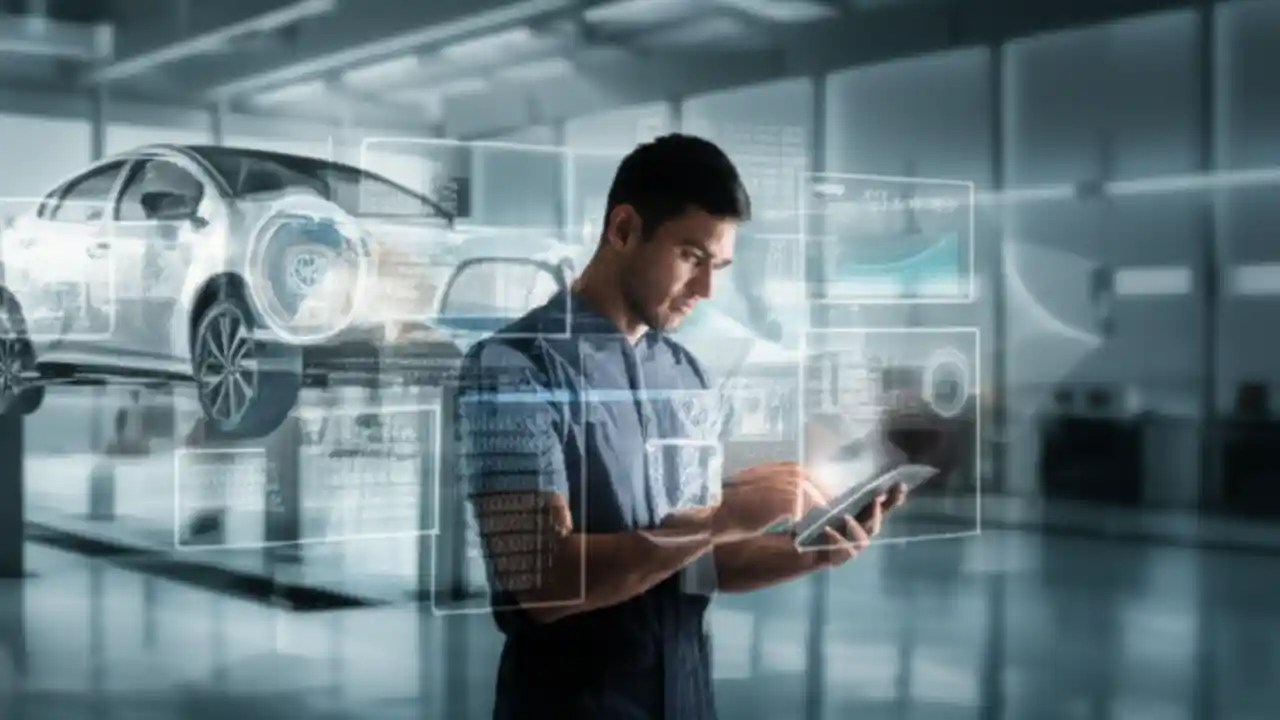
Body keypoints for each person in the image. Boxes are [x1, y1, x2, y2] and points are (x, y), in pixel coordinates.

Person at [456, 134, 909, 720]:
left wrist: (807, 551)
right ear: (623, 230)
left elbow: (695, 567)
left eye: (717, 267)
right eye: (692, 257)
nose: (706, 291)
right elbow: (542, 583)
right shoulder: (512, 368)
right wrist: (719, 518)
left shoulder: (689, 378)